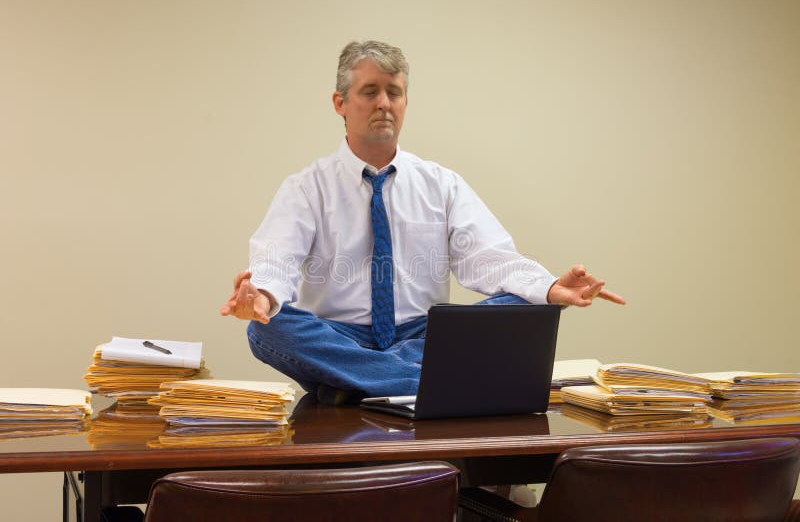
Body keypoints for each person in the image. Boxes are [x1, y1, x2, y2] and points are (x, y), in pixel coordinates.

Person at [221, 40, 625, 404]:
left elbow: (489, 258)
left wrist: (550, 288)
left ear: (405, 102)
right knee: (266, 328)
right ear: (340, 103)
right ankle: (420, 380)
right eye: (370, 92)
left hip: (425, 337)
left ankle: (355, 381)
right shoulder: (306, 188)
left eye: (394, 92)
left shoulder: (441, 184)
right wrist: (262, 295)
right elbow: (278, 259)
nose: (384, 103)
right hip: (339, 337)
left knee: (522, 303)